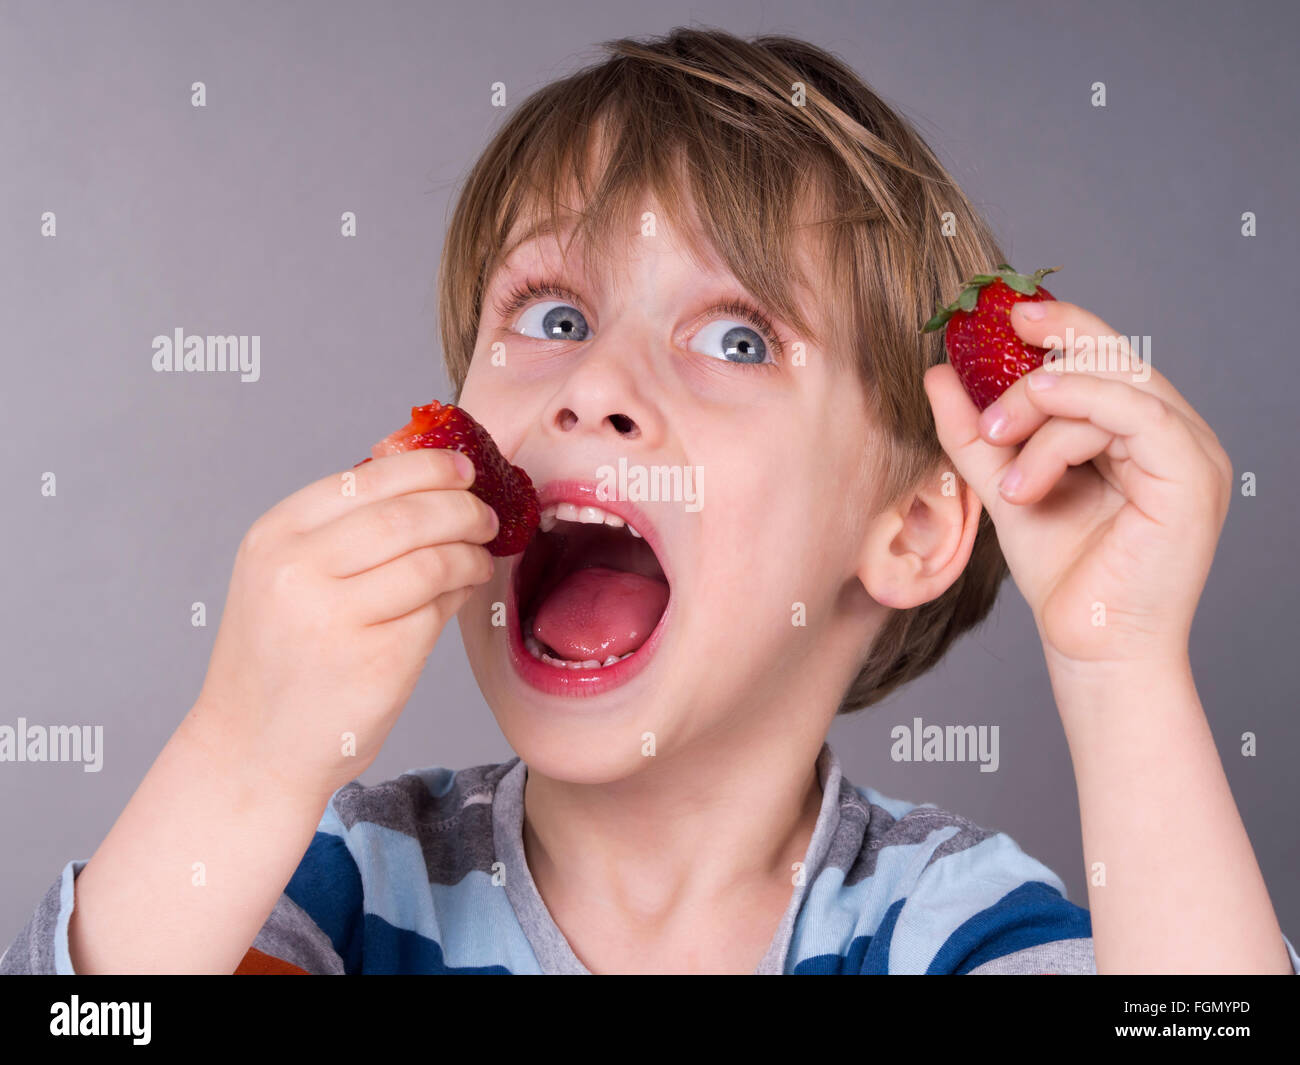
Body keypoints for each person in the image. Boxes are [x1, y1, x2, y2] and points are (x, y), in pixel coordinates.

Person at [4, 26, 1295, 975]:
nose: (594, 385)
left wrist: (1123, 668)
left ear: (908, 528)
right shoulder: (341, 888)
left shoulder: (944, 920)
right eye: (554, 317)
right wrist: (243, 756)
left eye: (736, 339)